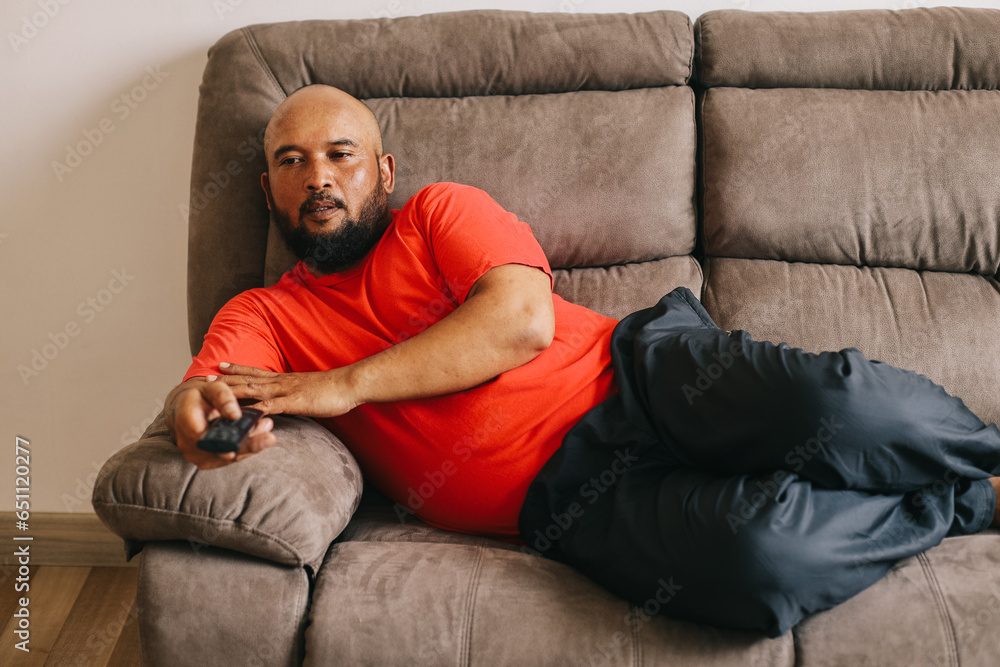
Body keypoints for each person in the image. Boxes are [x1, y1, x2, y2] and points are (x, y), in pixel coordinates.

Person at [164, 84, 1000, 638]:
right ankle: (962, 502)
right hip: (562, 497)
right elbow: (209, 391)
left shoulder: (437, 213)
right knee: (759, 564)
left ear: (382, 172)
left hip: (643, 374)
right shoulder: (265, 313)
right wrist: (200, 420)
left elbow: (520, 322)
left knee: (849, 410)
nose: (319, 176)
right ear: (269, 191)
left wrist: (343, 386)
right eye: (291, 160)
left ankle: (985, 457)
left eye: (340, 154)